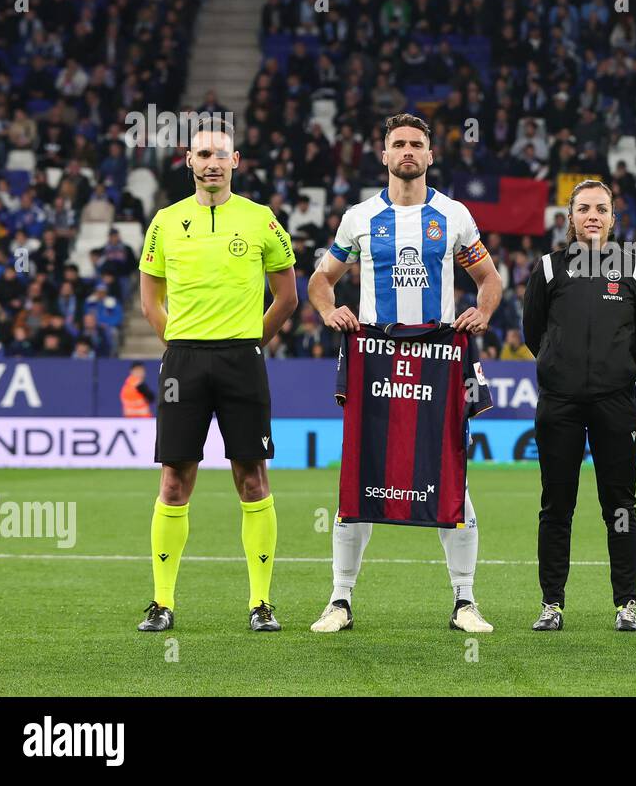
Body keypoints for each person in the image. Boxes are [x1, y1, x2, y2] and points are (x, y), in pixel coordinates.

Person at [307, 113, 503, 634]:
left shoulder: (454, 214)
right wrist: (330, 312)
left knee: (451, 478)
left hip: (439, 359)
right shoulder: (359, 217)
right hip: (375, 357)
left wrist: (482, 311)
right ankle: (340, 601)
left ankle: (464, 601)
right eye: (399, 144)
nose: (409, 151)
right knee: (362, 476)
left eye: (418, 143)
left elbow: (489, 279)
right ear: (385, 153)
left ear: (431, 155)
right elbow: (321, 280)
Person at [136, 117, 298, 633]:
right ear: (189, 162)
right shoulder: (164, 221)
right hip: (183, 362)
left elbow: (288, 296)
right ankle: (162, 603)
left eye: (219, 155)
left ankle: (261, 604)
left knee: (252, 479)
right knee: (174, 480)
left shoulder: (261, 220)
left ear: (235, 163)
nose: (210, 163)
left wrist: (250, 341)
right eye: (201, 154)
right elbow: (149, 299)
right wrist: (179, 343)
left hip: (241, 361)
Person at [521, 179, 636, 631]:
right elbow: (532, 333)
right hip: (558, 404)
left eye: (601, 208)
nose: (593, 216)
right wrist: (561, 367)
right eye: (584, 209)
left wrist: (614, 370)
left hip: (615, 403)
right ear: (571, 218)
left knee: (619, 504)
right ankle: (552, 604)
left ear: (614, 219)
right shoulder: (547, 268)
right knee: (555, 505)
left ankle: (626, 604)